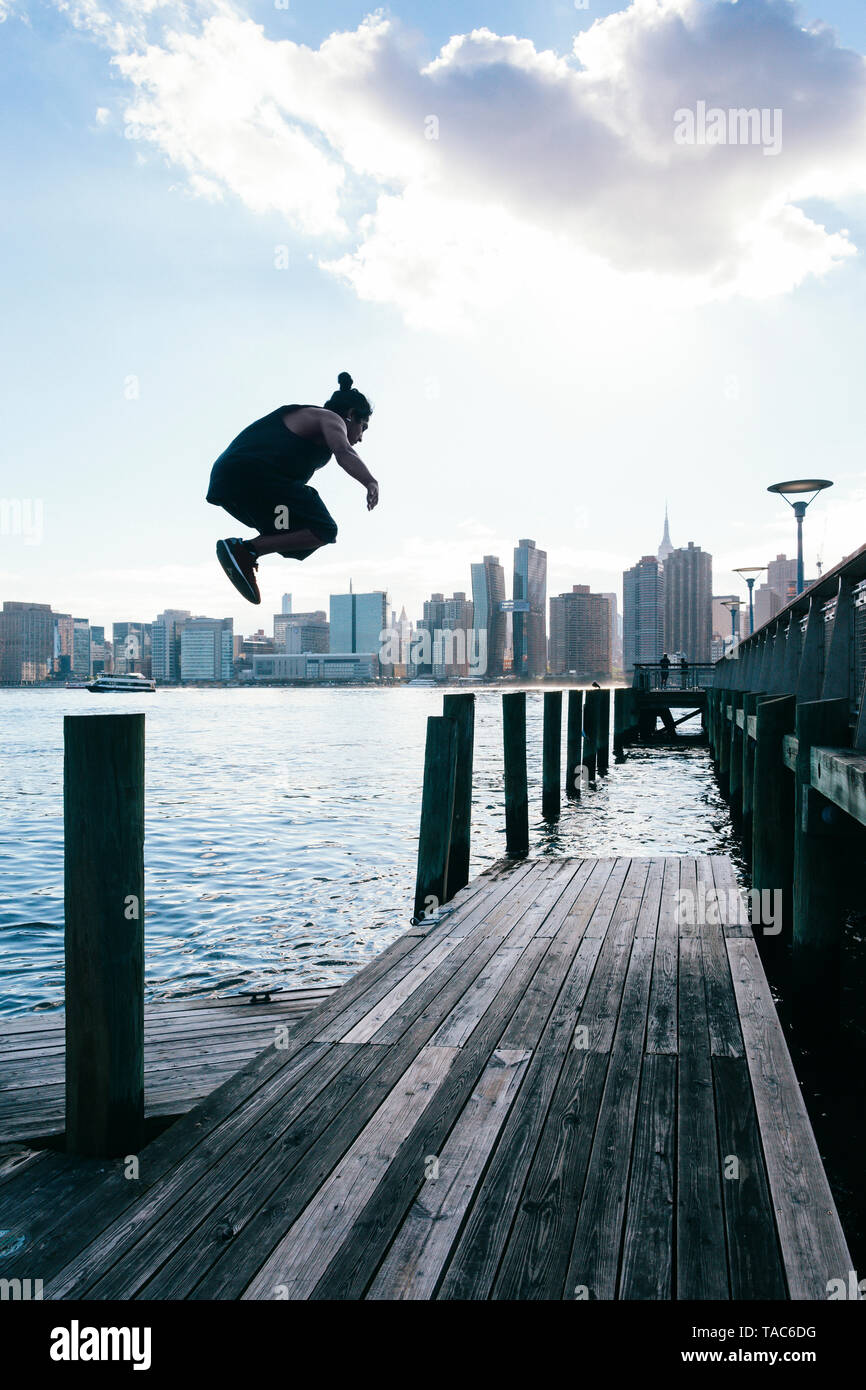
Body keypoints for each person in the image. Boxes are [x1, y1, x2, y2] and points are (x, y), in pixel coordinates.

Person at [206, 372, 379, 604]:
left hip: (230, 485)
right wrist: (370, 481)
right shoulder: (329, 418)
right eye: (363, 428)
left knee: (293, 534)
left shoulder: (314, 426)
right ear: (350, 415)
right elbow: (344, 452)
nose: (360, 438)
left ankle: (245, 553)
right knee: (323, 528)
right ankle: (246, 550)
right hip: (252, 474)